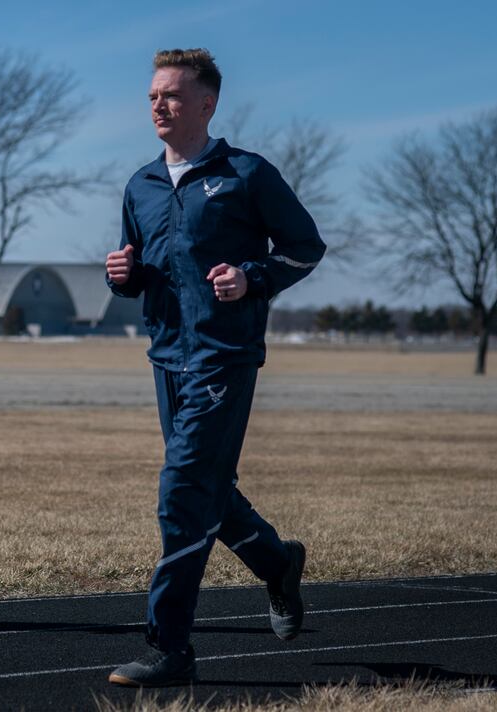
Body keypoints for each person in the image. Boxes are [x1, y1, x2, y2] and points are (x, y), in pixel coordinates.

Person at [104, 49, 326, 686]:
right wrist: (123, 277)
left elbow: (305, 247)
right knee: (208, 492)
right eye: (151, 95)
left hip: (225, 358)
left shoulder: (247, 174)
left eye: (171, 95)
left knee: (181, 492)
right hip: (167, 357)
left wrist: (251, 277)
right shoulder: (140, 185)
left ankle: (170, 648)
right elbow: (145, 270)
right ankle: (277, 563)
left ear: (207, 104)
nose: (157, 105)